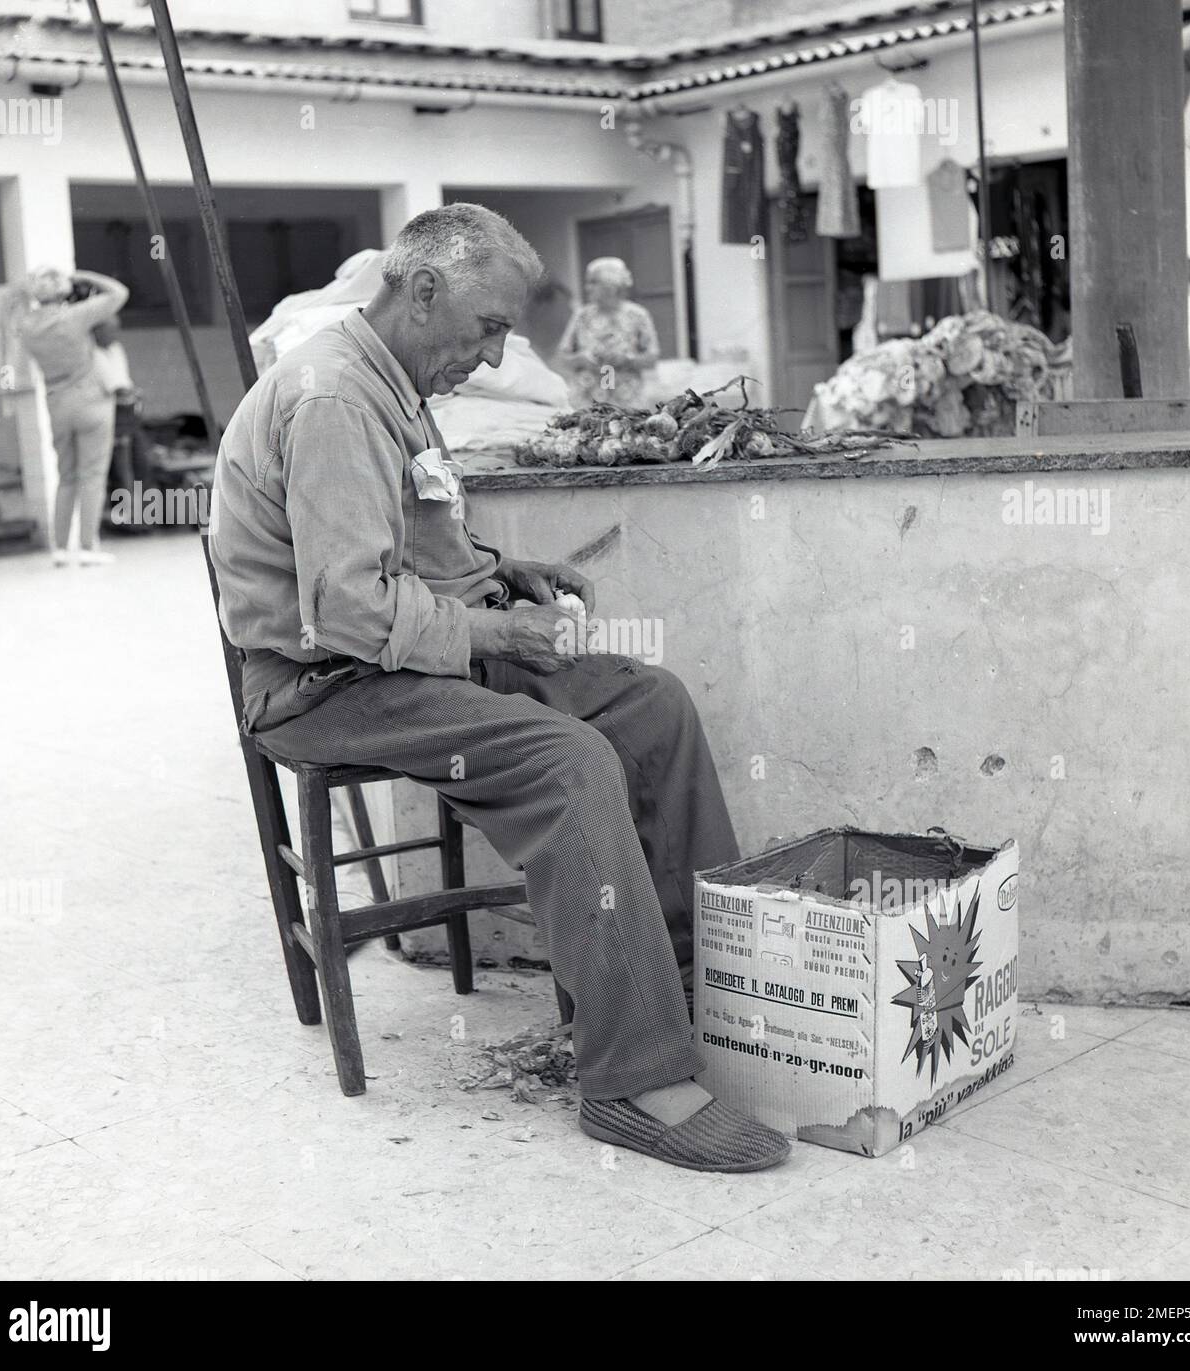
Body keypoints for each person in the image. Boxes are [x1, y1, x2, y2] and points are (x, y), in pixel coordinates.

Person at [209, 204, 788, 1173]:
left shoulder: (389, 378)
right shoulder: (335, 398)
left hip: (394, 655)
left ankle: (688, 996)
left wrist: (498, 574)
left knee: (652, 708)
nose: (491, 357)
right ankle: (630, 1078)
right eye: (487, 329)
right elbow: (347, 613)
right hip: (326, 685)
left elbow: (412, 541)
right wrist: (492, 631)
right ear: (423, 292)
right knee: (570, 764)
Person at [18, 266, 129, 566]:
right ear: (60, 289)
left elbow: (8, 303)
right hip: (92, 399)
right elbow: (119, 293)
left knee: (65, 476)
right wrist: (84, 275)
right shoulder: (75, 316)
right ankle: (87, 547)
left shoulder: (27, 325)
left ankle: (60, 548)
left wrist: (31, 288)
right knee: (92, 475)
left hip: (56, 402)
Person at [557, 256, 660, 409]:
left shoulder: (638, 315)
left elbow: (652, 358)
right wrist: (581, 359)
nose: (587, 288)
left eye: (593, 282)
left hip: (627, 403)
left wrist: (627, 359)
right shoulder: (582, 316)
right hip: (586, 402)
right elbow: (562, 356)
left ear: (611, 284)